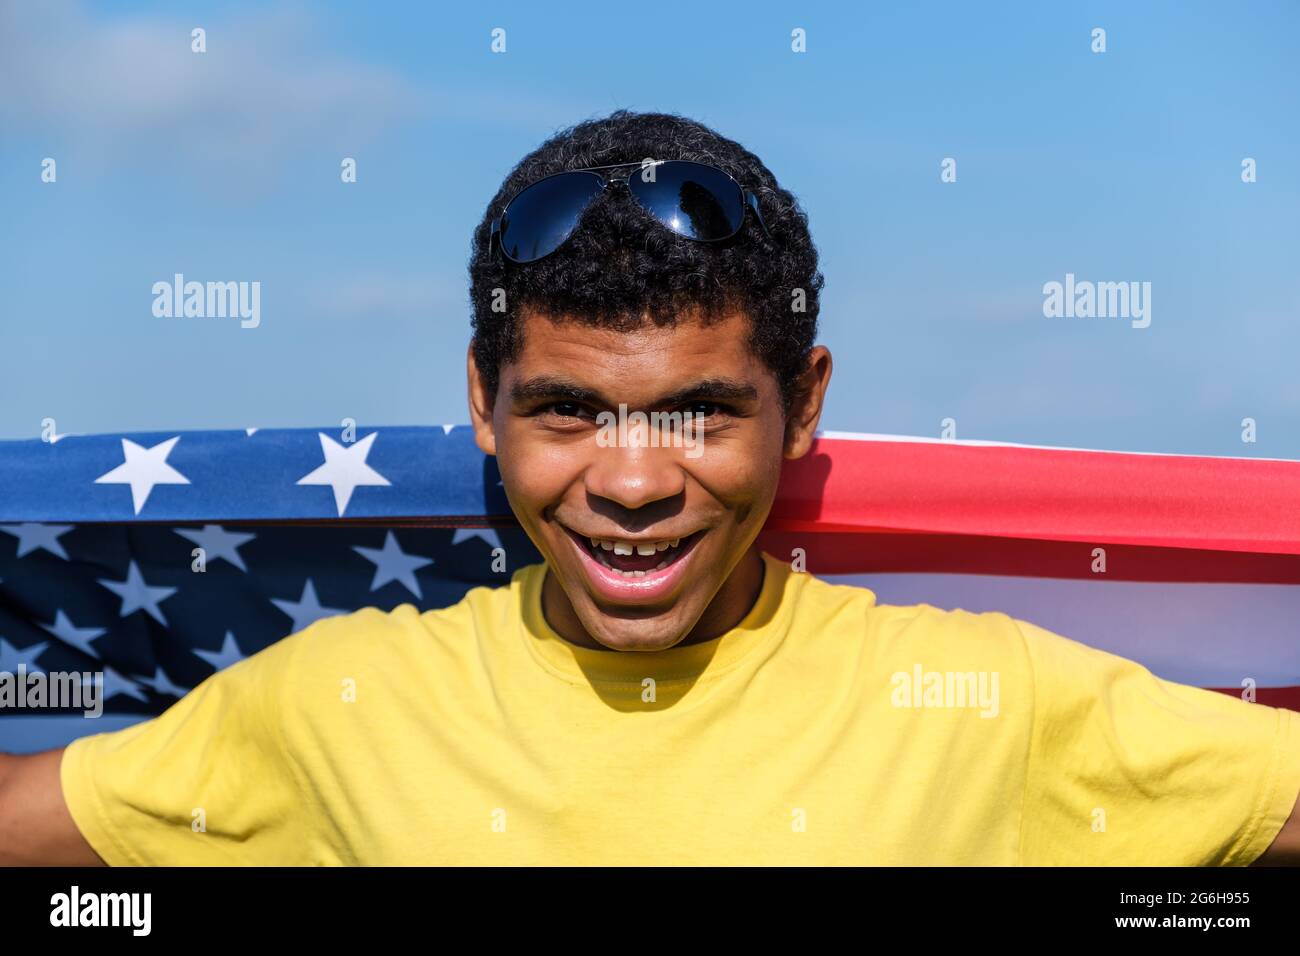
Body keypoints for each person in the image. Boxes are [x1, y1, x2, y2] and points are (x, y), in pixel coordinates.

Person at [2, 110, 1297, 865]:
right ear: (482, 401)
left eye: (702, 412)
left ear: (805, 405)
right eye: (568, 409)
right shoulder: (328, 709)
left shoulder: (992, 704)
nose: (631, 480)